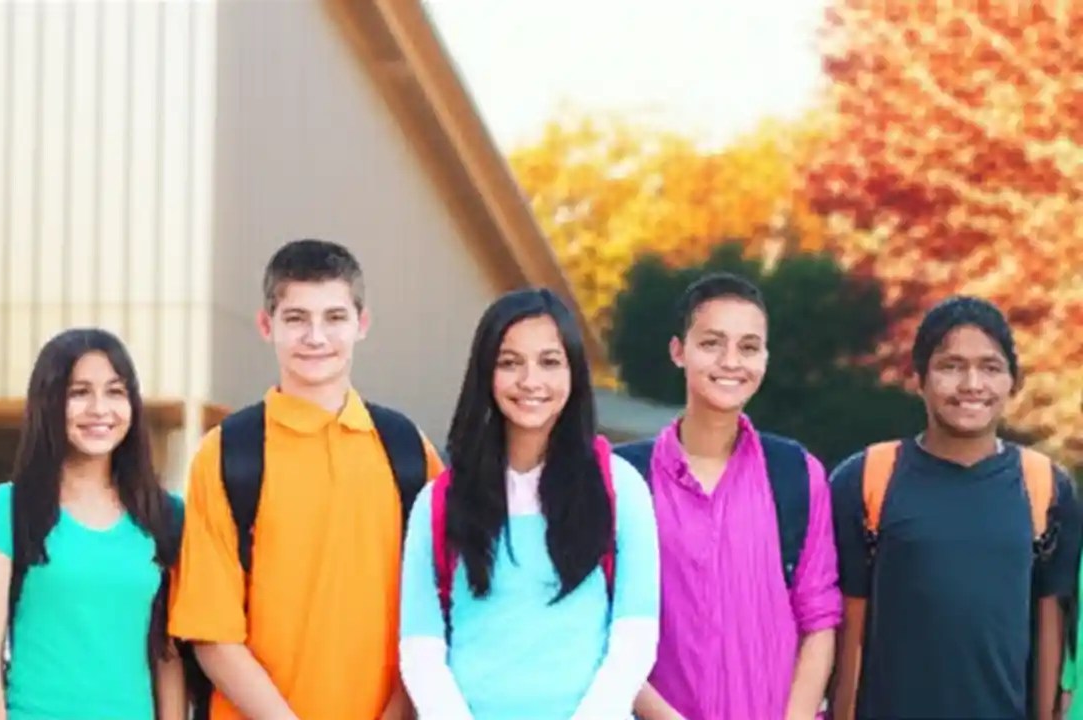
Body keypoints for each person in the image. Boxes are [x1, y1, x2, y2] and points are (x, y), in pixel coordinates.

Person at [168, 238, 446, 720]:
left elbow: (440, 610)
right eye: (296, 318)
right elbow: (212, 632)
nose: (316, 336)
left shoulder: (408, 451)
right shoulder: (228, 453)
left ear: (362, 324)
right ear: (265, 324)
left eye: (334, 317)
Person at [397, 288, 659, 719]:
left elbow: (635, 636)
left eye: (549, 362)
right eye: (509, 362)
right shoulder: (440, 500)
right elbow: (420, 649)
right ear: (485, 373)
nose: (530, 381)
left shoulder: (620, 488)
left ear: (574, 372)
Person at [830, 295, 1082, 720]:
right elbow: (843, 626)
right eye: (950, 366)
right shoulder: (868, 478)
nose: (971, 385)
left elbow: (1052, 632)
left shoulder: (1046, 487)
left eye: (990, 367)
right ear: (920, 378)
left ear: (1012, 382)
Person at [622, 273, 841, 720]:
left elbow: (819, 621)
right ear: (678, 351)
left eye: (748, 347)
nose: (730, 362)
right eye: (711, 343)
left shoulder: (797, 475)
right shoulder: (627, 480)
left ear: (765, 357)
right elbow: (598, 626)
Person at [0, 328, 187, 720]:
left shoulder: (165, 514)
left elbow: (167, 652)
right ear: (49, 403)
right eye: (79, 392)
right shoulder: (5, 510)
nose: (100, 409)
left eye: (115, 391)